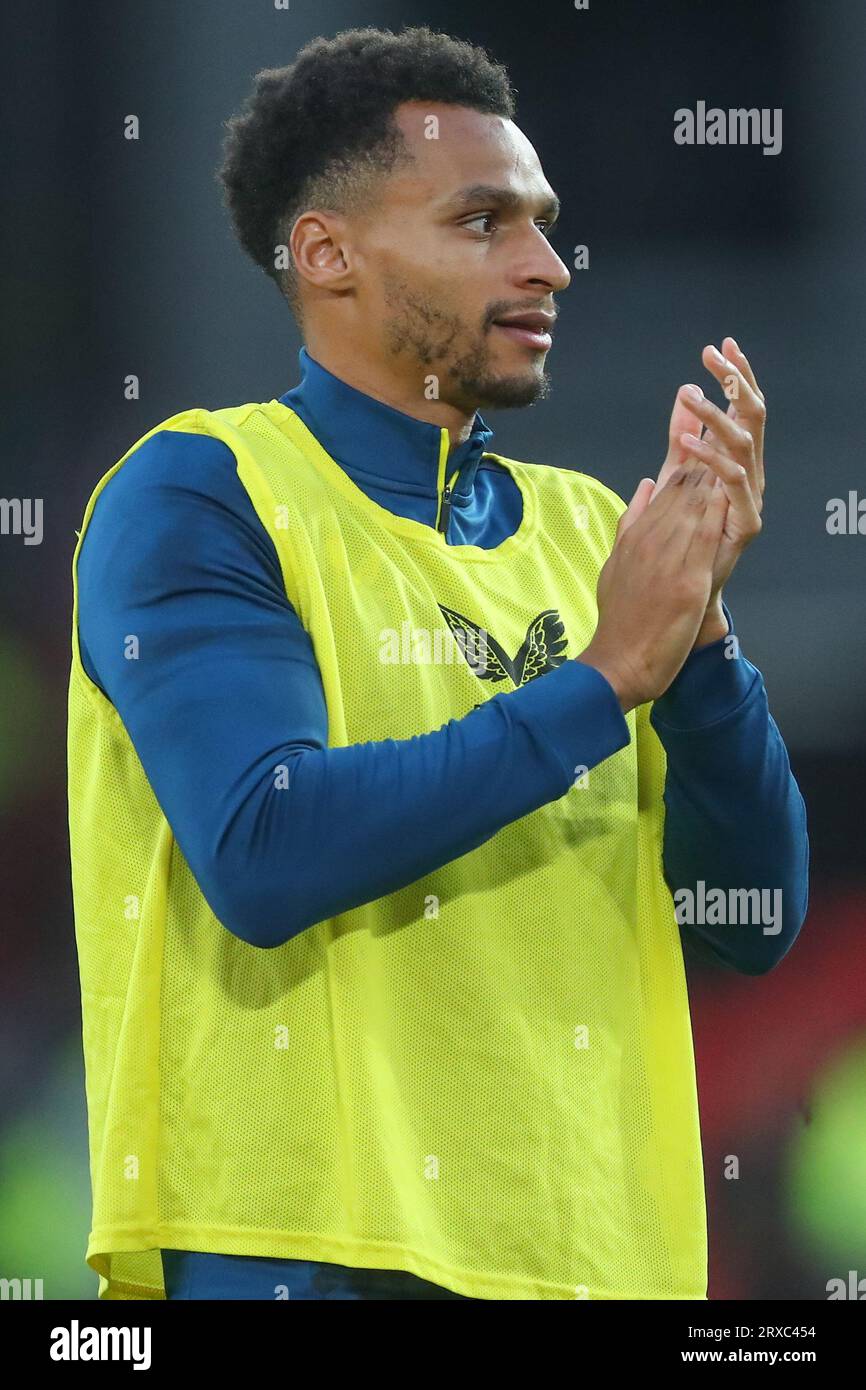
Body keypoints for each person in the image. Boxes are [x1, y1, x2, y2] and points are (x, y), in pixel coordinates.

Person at [68, 25, 809, 1301]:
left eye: (542, 222)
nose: (544, 266)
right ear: (327, 254)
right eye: (482, 223)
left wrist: (696, 647)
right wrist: (600, 681)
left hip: (591, 1257)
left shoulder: (590, 529)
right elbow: (264, 848)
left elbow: (751, 915)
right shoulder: (206, 490)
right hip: (305, 1254)